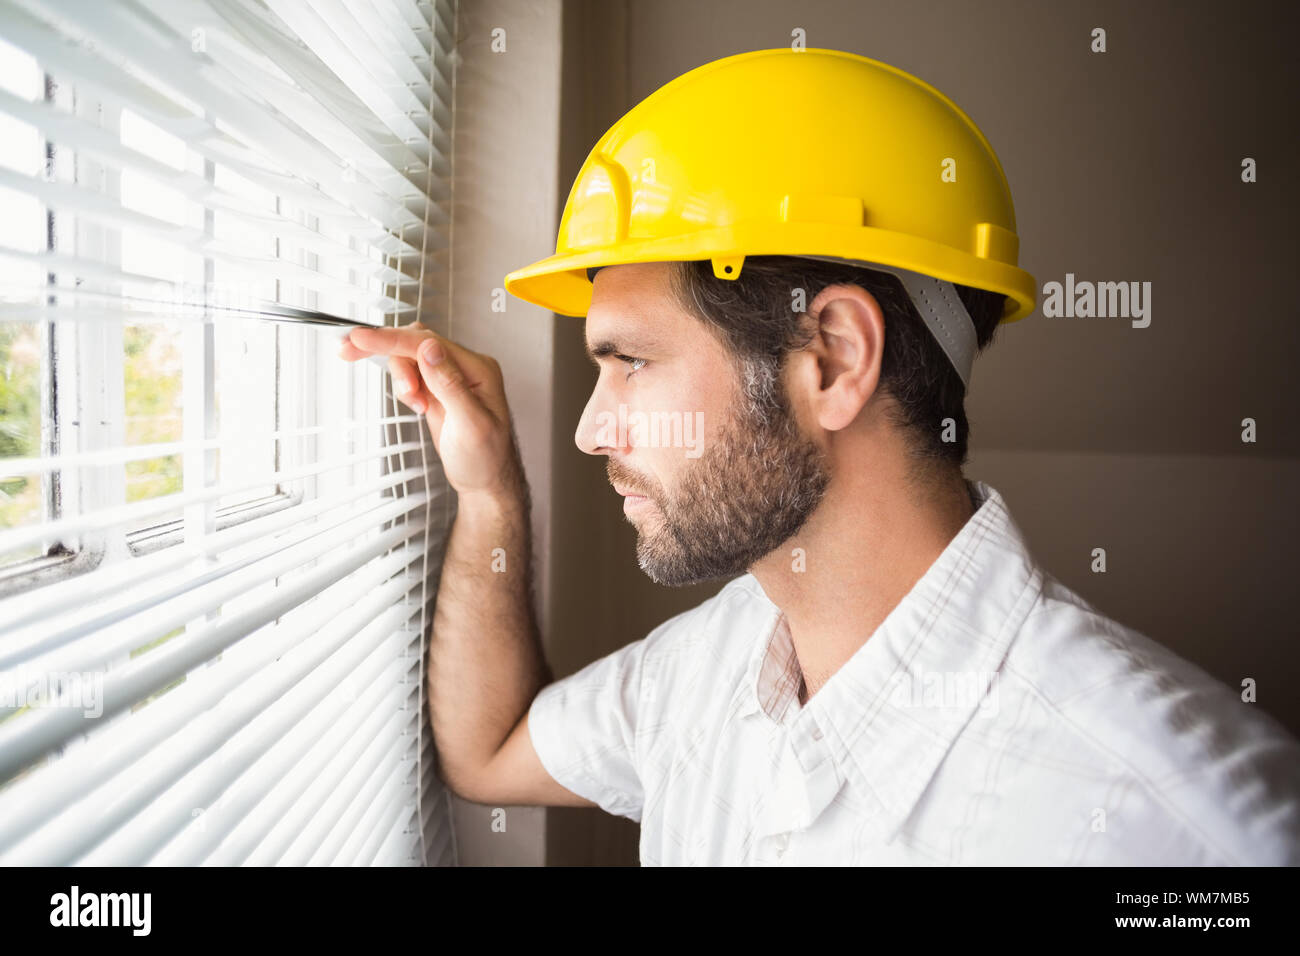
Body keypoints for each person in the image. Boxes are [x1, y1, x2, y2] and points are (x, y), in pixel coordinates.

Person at [339, 49, 1300, 865]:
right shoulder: (713, 665)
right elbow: (490, 752)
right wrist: (492, 491)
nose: (591, 431)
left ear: (831, 358)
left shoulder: (1181, 826)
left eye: (631, 361)